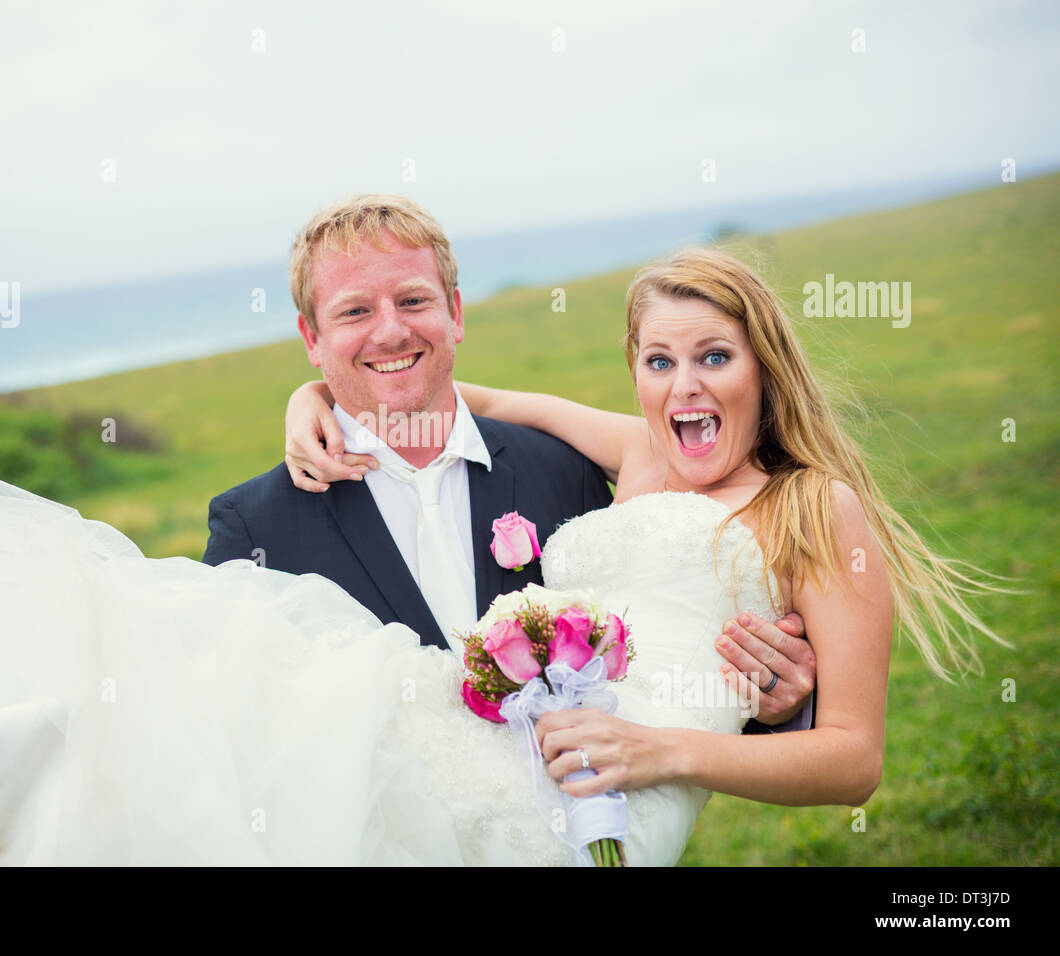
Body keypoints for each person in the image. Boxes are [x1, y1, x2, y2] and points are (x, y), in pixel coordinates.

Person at [0, 247, 1000, 867]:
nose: (683, 384)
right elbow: (465, 392)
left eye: (713, 357)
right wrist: (317, 395)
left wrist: (679, 743)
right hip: (492, 740)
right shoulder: (638, 455)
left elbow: (852, 759)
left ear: (762, 366)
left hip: (580, 793)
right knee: (196, 656)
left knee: (228, 669)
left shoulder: (811, 507)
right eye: (659, 359)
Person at [206, 195, 816, 730]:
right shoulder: (255, 529)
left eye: (414, 300)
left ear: (456, 313)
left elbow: (654, 658)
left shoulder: (566, 469)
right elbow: (244, 738)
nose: (390, 332)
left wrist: (776, 705)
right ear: (311, 338)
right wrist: (313, 396)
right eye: (354, 311)